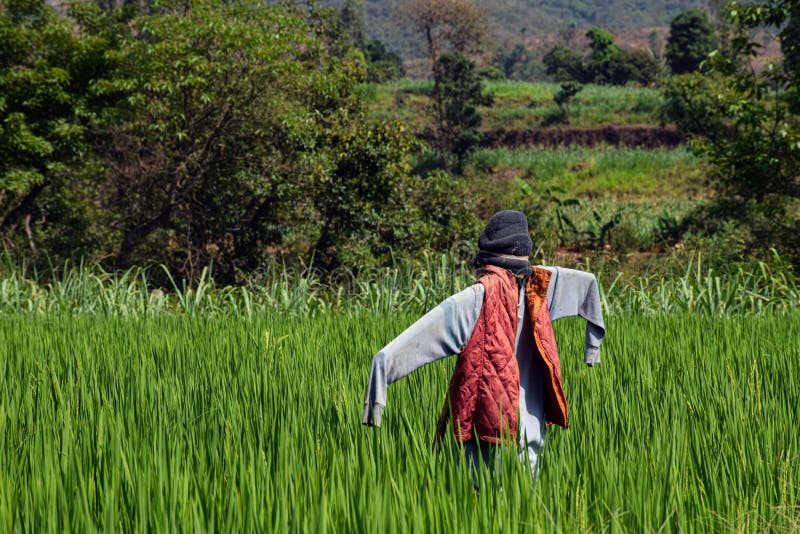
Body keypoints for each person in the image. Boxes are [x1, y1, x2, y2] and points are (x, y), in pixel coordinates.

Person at [362, 210, 605, 478]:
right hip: (532, 436)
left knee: (478, 509)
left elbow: (395, 352)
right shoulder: (544, 287)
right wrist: (592, 350)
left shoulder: (475, 299)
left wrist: (376, 402)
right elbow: (588, 284)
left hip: (486, 436)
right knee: (521, 510)